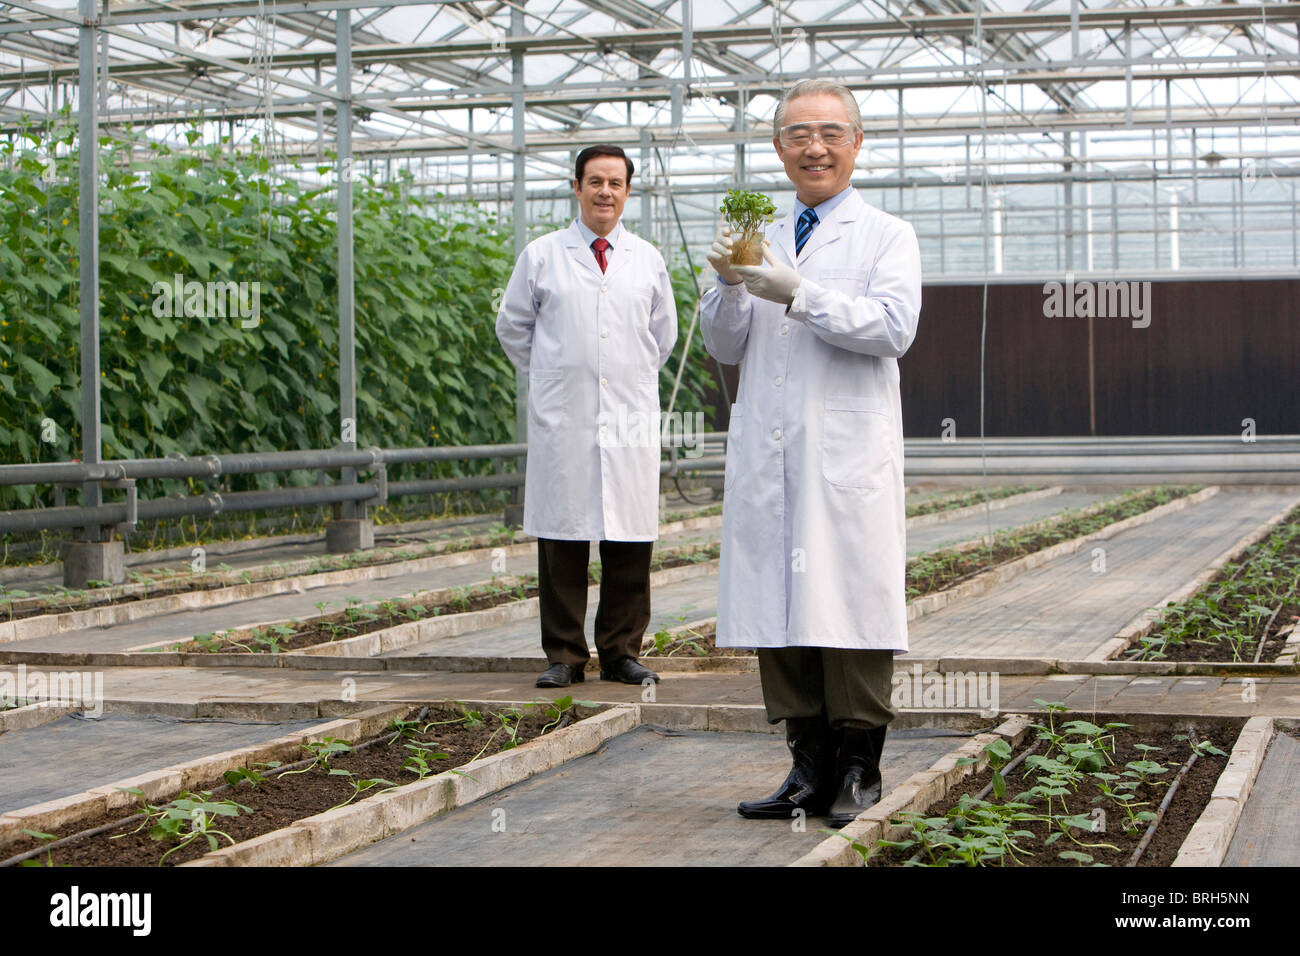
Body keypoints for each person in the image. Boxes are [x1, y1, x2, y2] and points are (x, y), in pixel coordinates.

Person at [701, 79, 922, 827]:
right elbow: (724, 346)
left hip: (845, 454)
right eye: (798, 134)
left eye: (830, 132)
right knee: (779, 609)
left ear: (856, 143)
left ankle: (859, 768)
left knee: (849, 605)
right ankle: (806, 766)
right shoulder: (756, 228)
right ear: (778, 147)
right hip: (772, 450)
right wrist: (730, 285)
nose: (814, 147)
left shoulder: (886, 234)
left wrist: (798, 292)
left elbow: (894, 328)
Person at [496, 144, 678, 689]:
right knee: (562, 542)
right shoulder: (542, 255)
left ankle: (621, 652)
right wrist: (557, 376)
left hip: (628, 416)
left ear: (627, 191)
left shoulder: (646, 258)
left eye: (616, 183)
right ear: (576, 187)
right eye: (595, 181)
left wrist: (620, 374)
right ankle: (565, 655)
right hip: (565, 418)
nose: (605, 192)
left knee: (629, 539)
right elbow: (513, 327)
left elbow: (661, 336)